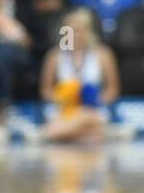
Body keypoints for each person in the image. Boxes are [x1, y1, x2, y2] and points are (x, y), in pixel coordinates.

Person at [38, 8, 120, 142]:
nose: (75, 35)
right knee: (88, 132)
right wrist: (63, 98)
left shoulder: (103, 54)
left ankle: (54, 133)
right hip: (64, 110)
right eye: (71, 31)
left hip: (92, 110)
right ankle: (87, 134)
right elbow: (45, 90)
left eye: (79, 30)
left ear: (88, 31)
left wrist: (96, 100)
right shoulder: (54, 56)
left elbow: (113, 89)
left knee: (86, 116)